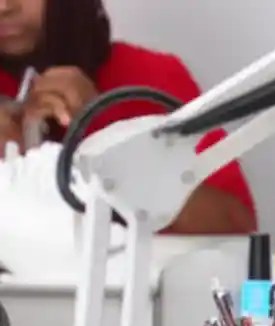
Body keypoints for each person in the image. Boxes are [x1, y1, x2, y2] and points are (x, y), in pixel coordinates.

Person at [0, 0, 256, 234]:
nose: (4, 7)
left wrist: (103, 129)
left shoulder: (149, 78)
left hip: (135, 271)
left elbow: (235, 224)